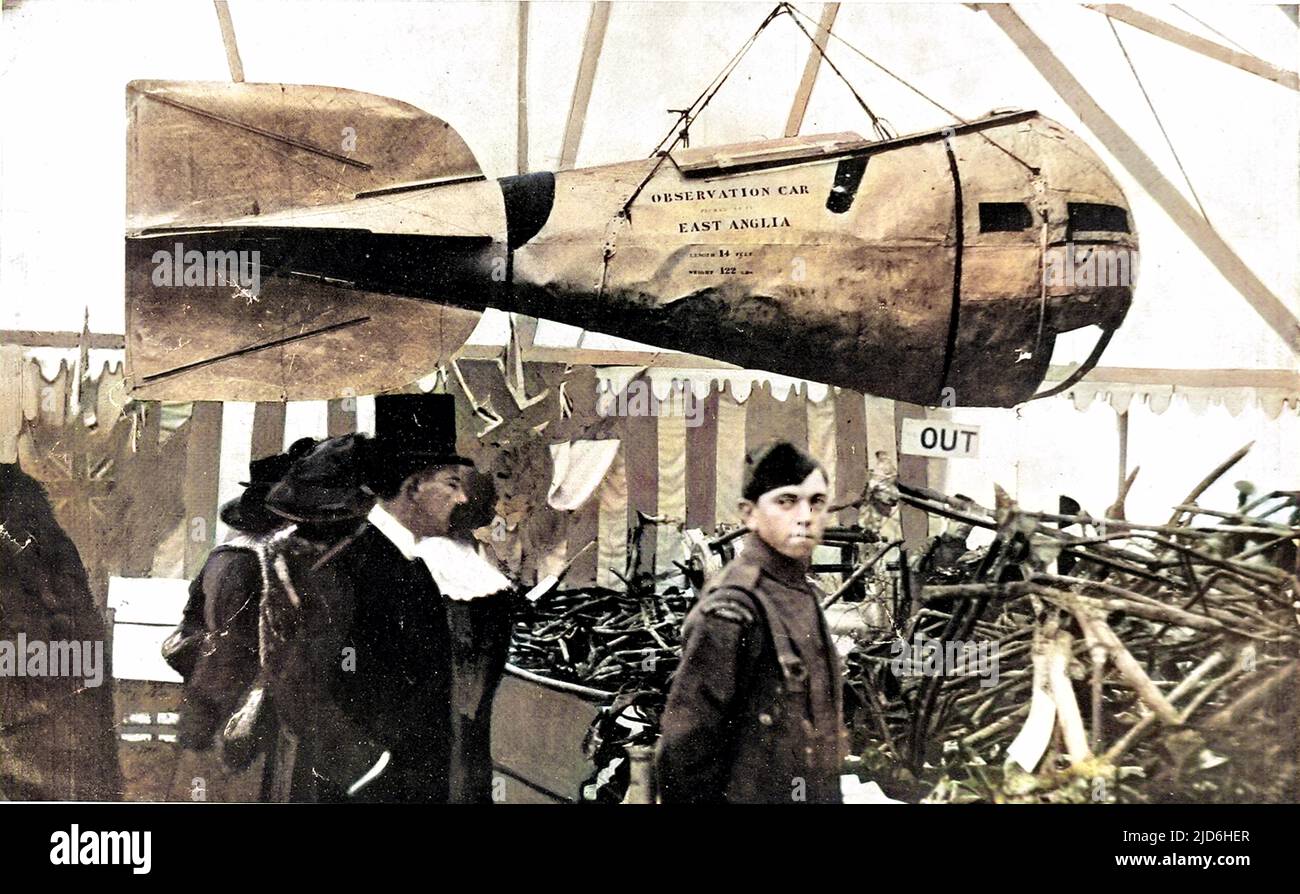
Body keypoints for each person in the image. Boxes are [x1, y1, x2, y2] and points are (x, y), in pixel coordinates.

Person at [262, 394, 472, 803]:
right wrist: (366, 770)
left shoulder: (412, 568)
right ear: (413, 487)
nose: (462, 499)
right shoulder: (348, 568)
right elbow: (296, 679)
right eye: (452, 483)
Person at [655, 441, 849, 803]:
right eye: (786, 501)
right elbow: (684, 750)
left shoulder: (800, 592)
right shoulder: (734, 607)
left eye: (817, 502)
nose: (805, 516)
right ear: (749, 514)